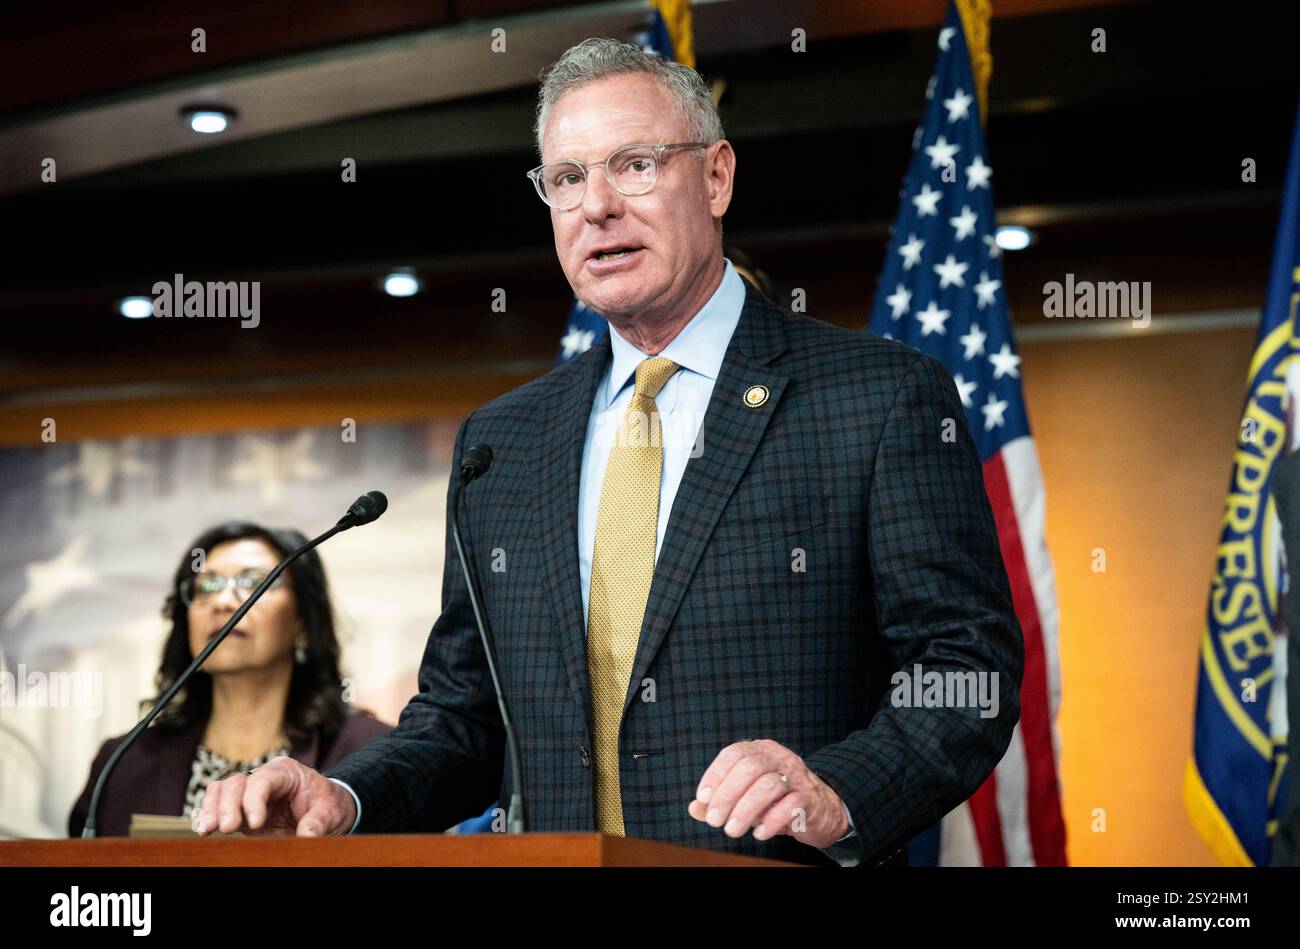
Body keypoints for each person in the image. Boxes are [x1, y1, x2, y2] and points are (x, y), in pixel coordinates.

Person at [196, 38, 1023, 867]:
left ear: (716, 177)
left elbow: (964, 671)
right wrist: (346, 795)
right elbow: (465, 719)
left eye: (633, 165)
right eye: (565, 178)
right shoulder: (502, 443)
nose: (595, 206)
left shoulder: (875, 398)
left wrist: (836, 787)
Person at [69, 521, 390, 837]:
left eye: (254, 583)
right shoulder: (123, 763)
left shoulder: (370, 753)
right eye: (207, 585)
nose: (222, 602)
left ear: (303, 621)